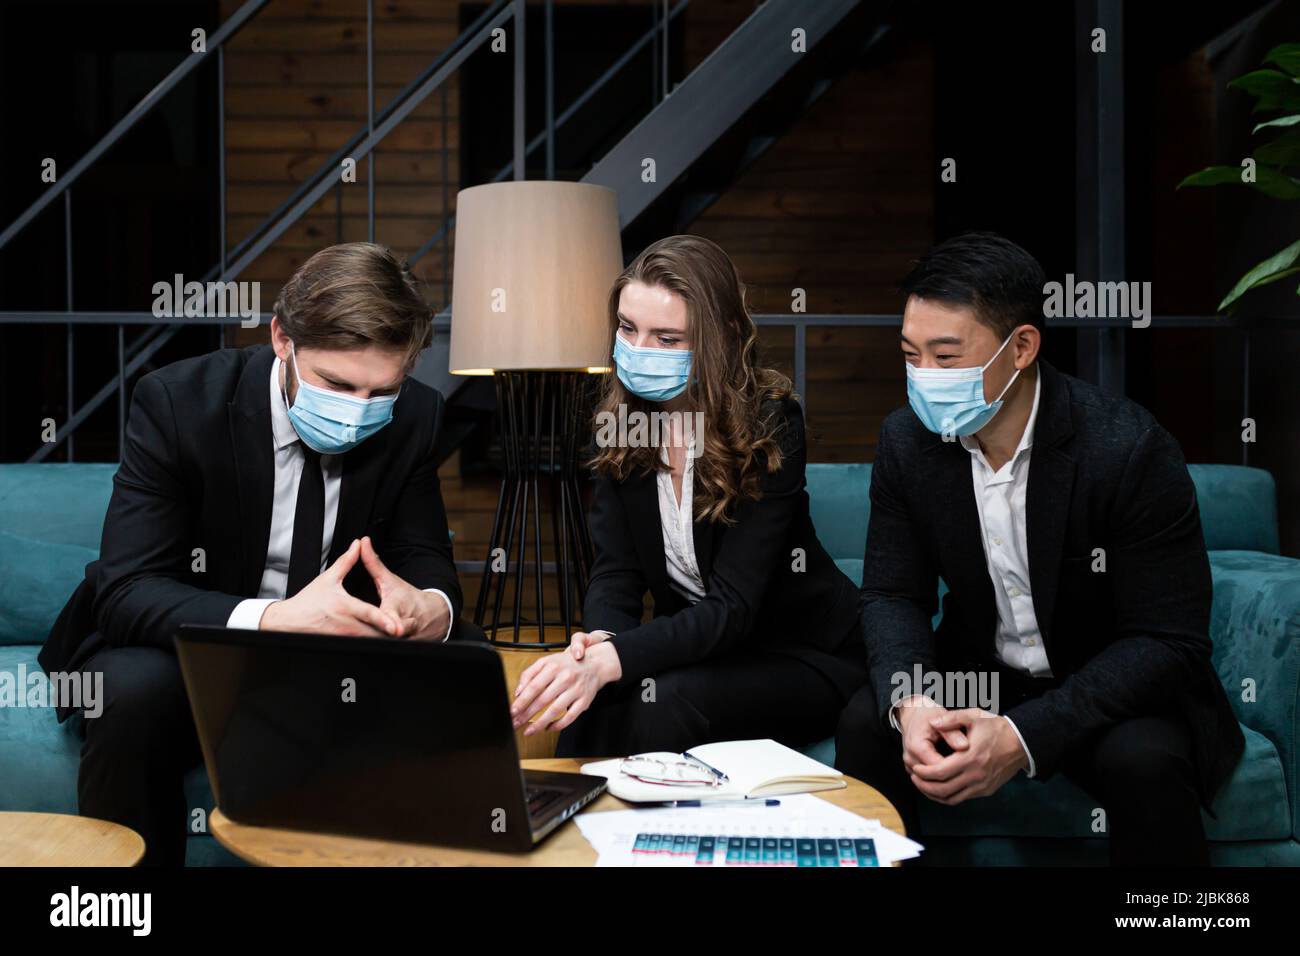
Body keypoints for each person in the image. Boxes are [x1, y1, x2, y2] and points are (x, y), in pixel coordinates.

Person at [39, 242, 476, 866]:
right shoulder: (177, 402)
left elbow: (426, 557)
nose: (357, 411)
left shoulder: (413, 418)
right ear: (281, 339)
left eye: (382, 390)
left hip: (339, 649)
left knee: (468, 664)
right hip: (199, 640)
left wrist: (431, 608)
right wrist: (274, 620)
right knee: (125, 691)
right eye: (336, 383)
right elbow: (128, 587)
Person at [833, 232, 1244, 865]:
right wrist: (911, 702)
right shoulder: (907, 443)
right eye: (910, 355)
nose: (924, 378)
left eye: (947, 356)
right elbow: (892, 593)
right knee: (869, 722)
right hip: (983, 675)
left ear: (1021, 346)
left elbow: (1169, 641)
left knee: (1144, 763)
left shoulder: (1127, 448)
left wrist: (1024, 736)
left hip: (1110, 684)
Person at [510, 234, 868, 757]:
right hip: (706, 655)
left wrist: (618, 660)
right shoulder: (622, 423)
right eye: (628, 329)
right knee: (598, 697)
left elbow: (734, 607)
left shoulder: (771, 423)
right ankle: (567, 832)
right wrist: (602, 644)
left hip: (806, 654)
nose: (638, 350)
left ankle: (655, 838)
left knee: (661, 699)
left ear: (719, 337)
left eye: (667, 338)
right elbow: (616, 571)